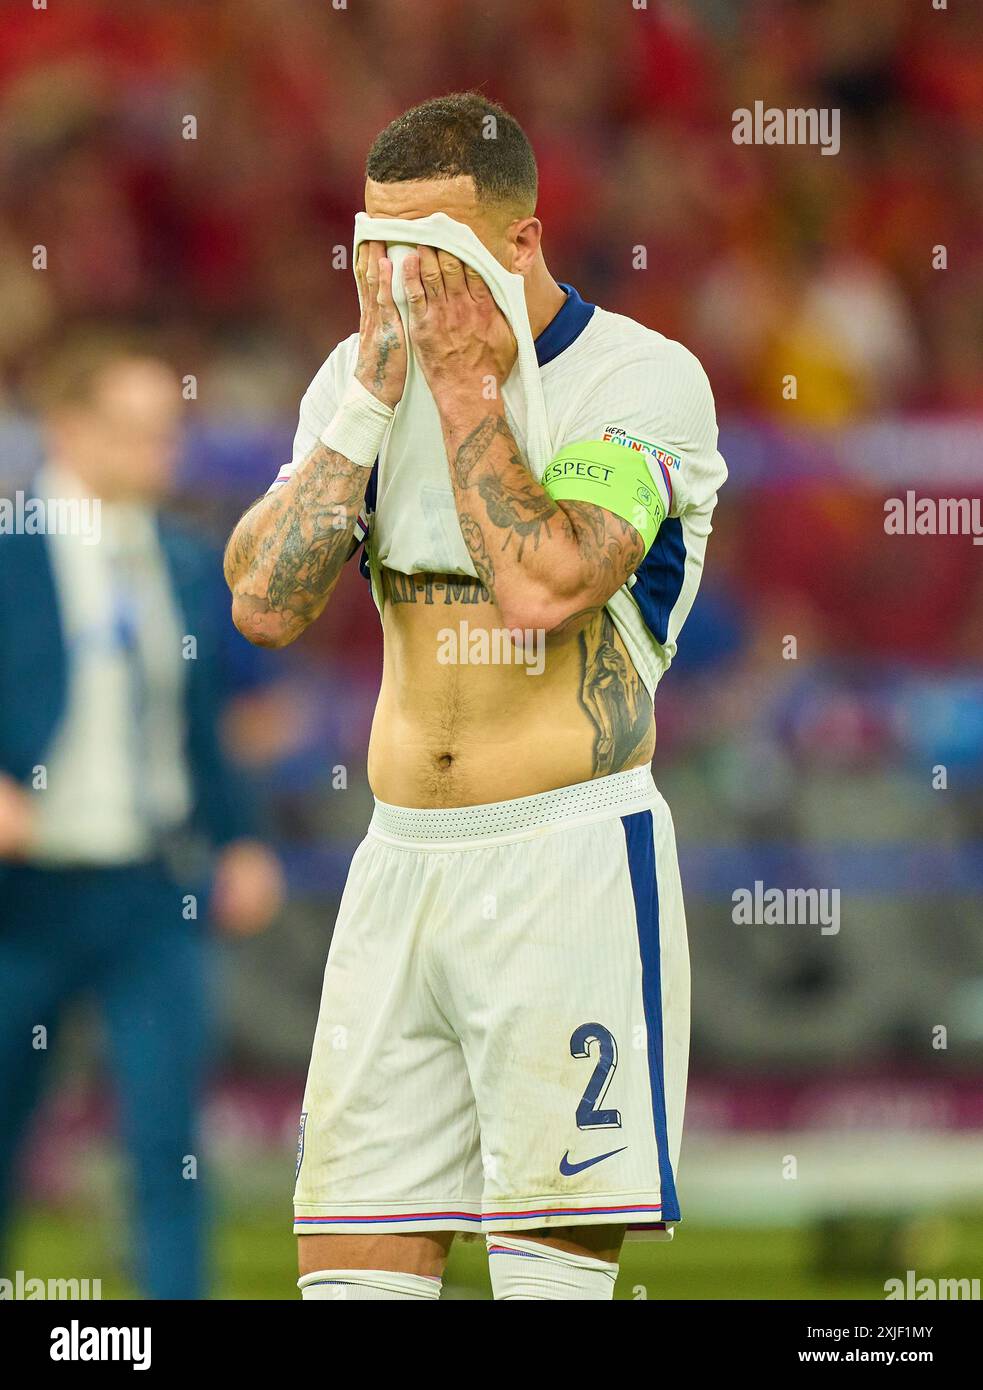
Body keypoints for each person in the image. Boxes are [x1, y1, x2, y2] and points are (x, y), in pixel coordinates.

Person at [225, 92, 726, 1302]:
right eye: (378, 244)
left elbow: (544, 583)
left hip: (562, 861)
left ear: (517, 240)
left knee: (547, 1287)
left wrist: (461, 392)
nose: (401, 278)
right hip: (397, 864)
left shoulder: (640, 380)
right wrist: (364, 398)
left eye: (431, 247)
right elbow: (261, 602)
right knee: (347, 1281)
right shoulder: (356, 383)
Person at [0, 332, 283, 1299]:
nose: (165, 451)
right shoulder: (10, 545)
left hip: (152, 890)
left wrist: (242, 838)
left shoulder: (181, 556)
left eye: (171, 428)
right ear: (69, 428)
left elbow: (203, 726)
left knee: (168, 1139)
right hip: (22, 897)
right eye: (139, 429)